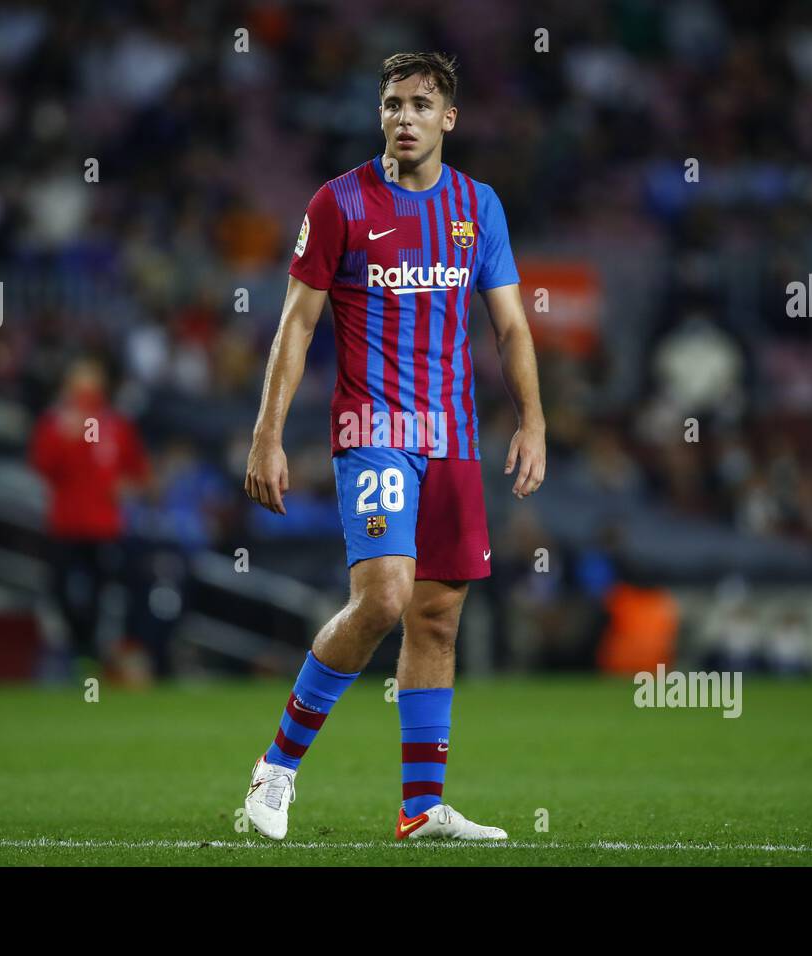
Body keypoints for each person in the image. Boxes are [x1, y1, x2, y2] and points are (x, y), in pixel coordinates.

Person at [242, 52, 546, 841]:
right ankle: (275, 771)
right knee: (383, 597)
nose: (403, 117)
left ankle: (420, 808)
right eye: (390, 104)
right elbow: (296, 325)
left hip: (451, 436)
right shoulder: (338, 203)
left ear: (449, 118)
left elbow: (510, 324)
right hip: (372, 429)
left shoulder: (478, 207)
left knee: (438, 616)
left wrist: (534, 419)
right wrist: (267, 434)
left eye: (419, 104)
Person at [30, 357, 151, 670]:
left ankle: (92, 654)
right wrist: (64, 438)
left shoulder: (115, 426)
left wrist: (128, 486)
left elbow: (138, 472)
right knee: (60, 590)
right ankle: (79, 645)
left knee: (102, 593)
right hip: (65, 524)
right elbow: (42, 466)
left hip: (104, 526)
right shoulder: (56, 424)